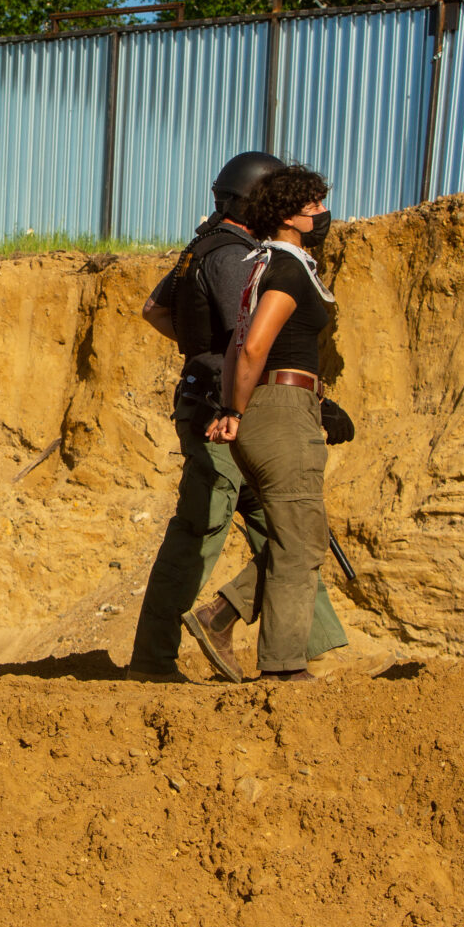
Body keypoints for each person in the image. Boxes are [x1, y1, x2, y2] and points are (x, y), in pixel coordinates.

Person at [131, 152, 347, 680]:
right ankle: (158, 658)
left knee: (289, 533)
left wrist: (199, 351)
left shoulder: (198, 249)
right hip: (229, 409)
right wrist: (230, 382)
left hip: (216, 401)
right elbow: (249, 337)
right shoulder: (240, 258)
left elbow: (156, 310)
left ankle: (288, 640)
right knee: (203, 530)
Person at [201, 164, 337, 682]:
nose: (323, 214)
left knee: (292, 536)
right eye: (314, 206)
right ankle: (283, 669)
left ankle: (222, 614)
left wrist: (234, 408)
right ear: (288, 216)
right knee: (302, 542)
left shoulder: (263, 265)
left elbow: (240, 343)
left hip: (267, 409)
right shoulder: (286, 270)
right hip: (281, 410)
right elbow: (254, 344)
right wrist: (233, 411)